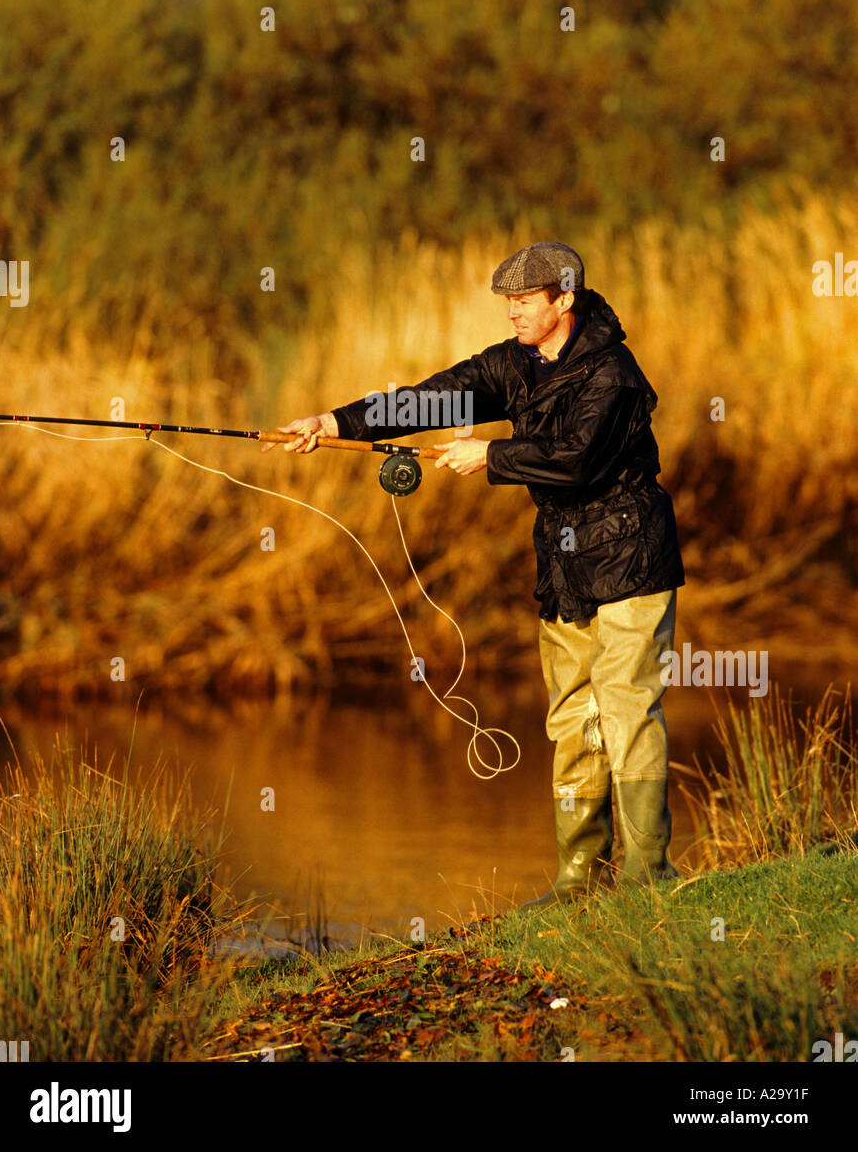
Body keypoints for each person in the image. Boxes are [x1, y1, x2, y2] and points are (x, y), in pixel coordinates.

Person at [264, 242, 685, 909]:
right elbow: (429, 402)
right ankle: (579, 880)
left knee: (628, 707)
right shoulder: (513, 363)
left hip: (632, 552)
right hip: (564, 562)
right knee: (571, 716)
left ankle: (647, 876)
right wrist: (332, 421)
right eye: (507, 301)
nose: (513, 311)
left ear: (565, 298)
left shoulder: (614, 373)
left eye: (525, 300)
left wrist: (491, 454)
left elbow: (576, 459)